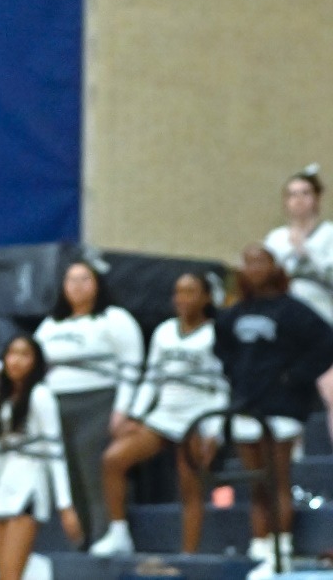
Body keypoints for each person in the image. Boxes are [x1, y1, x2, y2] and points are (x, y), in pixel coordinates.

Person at [86, 272, 229, 557]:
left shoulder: (216, 333)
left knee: (190, 487)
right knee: (113, 459)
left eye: (190, 292)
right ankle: (118, 534)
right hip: (163, 414)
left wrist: (214, 431)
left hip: (197, 415)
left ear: (206, 297)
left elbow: (223, 386)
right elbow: (151, 378)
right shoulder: (164, 331)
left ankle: (189, 555)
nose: (182, 298)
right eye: (178, 292)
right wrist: (136, 416)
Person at [215, 243, 333, 577]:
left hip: (281, 407)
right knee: (255, 483)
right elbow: (221, 347)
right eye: (247, 261)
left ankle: (282, 546)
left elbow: (326, 343)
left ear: (273, 266)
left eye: (260, 261)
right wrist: (236, 376)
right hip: (246, 405)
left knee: (277, 477)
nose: (253, 267)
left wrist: (295, 377)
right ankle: (260, 544)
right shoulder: (235, 313)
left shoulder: (294, 311)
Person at [31, 260, 143, 544]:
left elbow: (132, 366)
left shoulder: (115, 318)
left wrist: (123, 409)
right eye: (71, 280)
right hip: (56, 407)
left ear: (97, 284)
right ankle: (80, 544)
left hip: (97, 404)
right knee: (68, 479)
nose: (77, 286)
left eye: (84, 279)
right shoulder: (51, 324)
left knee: (93, 472)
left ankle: (106, 537)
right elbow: (30, 358)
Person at [0, 335, 81, 580]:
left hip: (30, 486)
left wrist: (65, 505)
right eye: (11, 354)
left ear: (35, 361)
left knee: (12, 575)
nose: (16, 361)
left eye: (24, 354)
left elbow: (55, 451)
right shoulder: (2, 398)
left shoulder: (41, 395)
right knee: (1, 575)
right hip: (2, 489)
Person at [262, 166, 333, 443]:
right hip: (287, 331)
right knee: (283, 400)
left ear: (316, 198)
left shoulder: (328, 235)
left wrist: (306, 251)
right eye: (292, 194)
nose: (299, 199)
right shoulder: (276, 239)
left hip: (324, 330)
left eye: (305, 193)